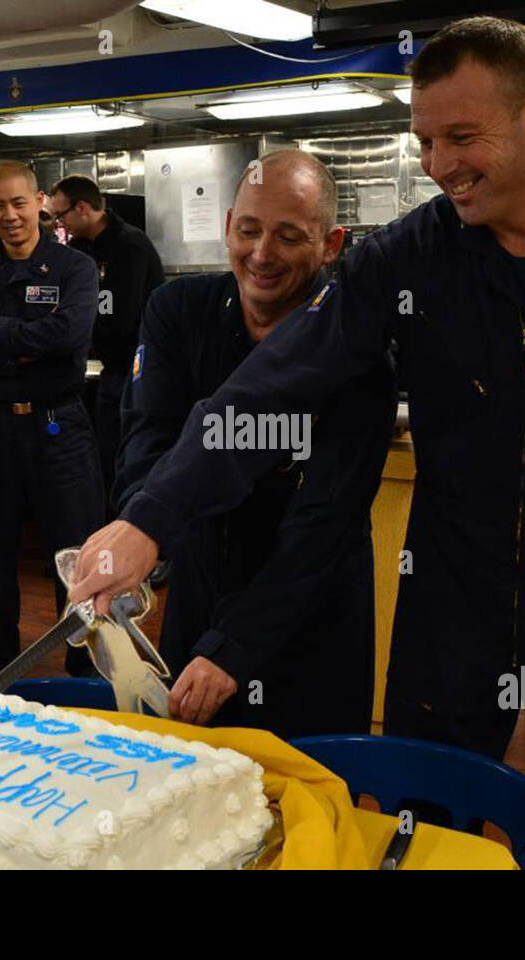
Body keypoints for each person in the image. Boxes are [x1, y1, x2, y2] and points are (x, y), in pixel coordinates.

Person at [72, 16, 525, 868]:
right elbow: (270, 385)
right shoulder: (409, 259)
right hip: (451, 606)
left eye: (462, 137)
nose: (439, 166)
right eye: (425, 140)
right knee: (425, 827)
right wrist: (149, 519)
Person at [115, 150, 392, 738]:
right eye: (249, 230)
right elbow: (147, 440)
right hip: (199, 583)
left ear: (332, 244)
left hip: (308, 604)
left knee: (311, 797)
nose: (262, 254)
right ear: (227, 227)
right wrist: (142, 545)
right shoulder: (177, 311)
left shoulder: (358, 349)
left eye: (289, 237)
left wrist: (235, 647)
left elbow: (326, 521)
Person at [0, 160, 103, 686]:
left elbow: (68, 338)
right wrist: (24, 344)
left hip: (60, 427)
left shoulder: (74, 268)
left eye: (18, 203)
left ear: (38, 202)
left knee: (75, 554)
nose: (9, 215)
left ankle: (85, 661)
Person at [50, 175, 164, 506]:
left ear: (83, 208)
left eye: (61, 216)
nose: (60, 224)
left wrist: (76, 333)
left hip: (133, 370)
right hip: (107, 369)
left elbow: (118, 317)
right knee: (103, 457)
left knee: (124, 457)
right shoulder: (80, 249)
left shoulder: (127, 246)